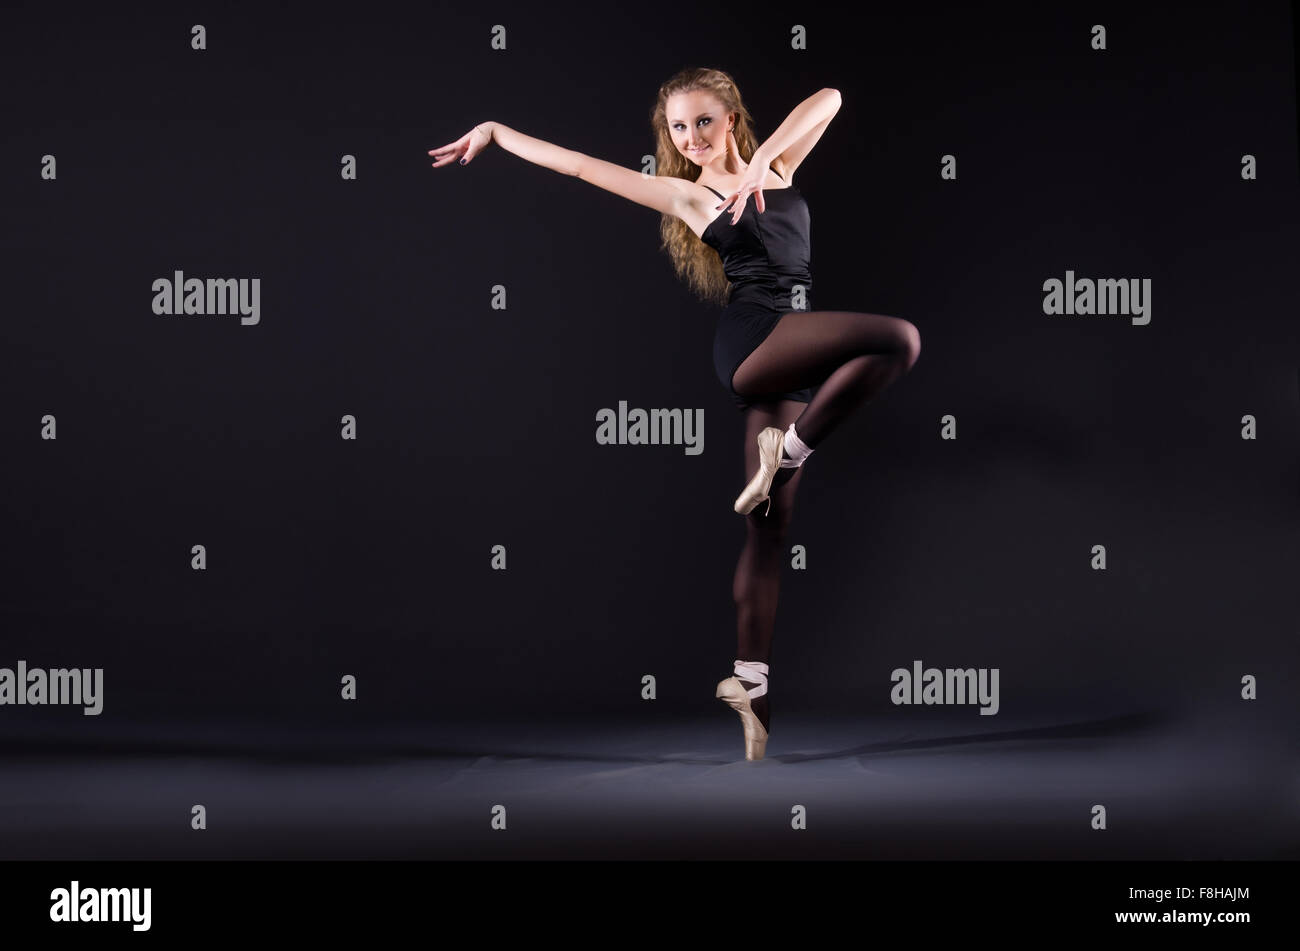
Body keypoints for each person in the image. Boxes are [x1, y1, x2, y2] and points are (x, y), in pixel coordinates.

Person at [428, 67, 920, 762]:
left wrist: (758, 165)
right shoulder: (687, 194)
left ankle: (749, 682)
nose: (691, 138)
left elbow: (833, 97)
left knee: (768, 531)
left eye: (704, 122)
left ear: (731, 118)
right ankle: (797, 448)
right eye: (679, 128)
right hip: (756, 342)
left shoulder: (774, 164)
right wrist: (498, 134)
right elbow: (577, 166)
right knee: (900, 339)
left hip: (796, 356)